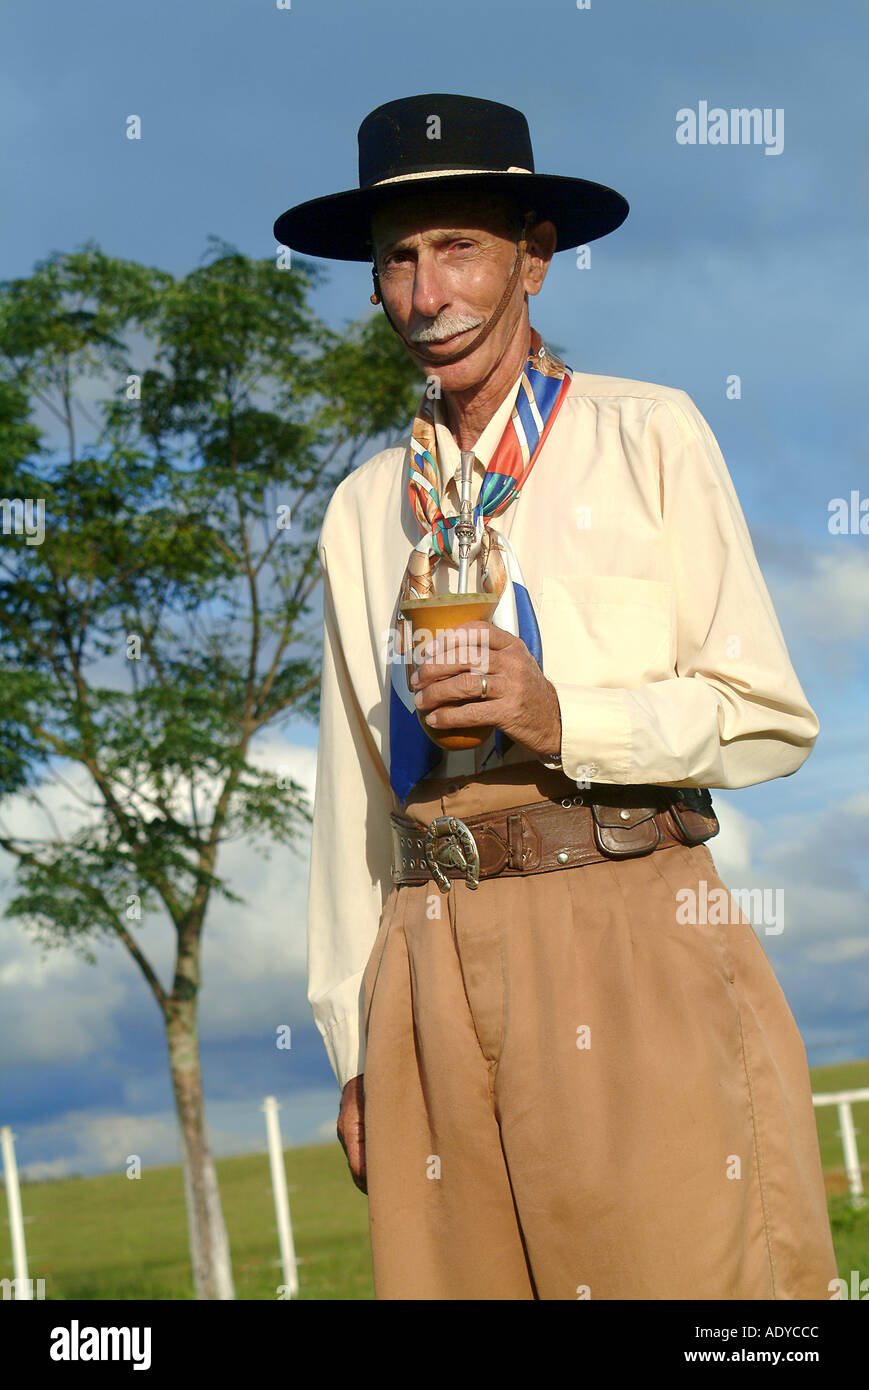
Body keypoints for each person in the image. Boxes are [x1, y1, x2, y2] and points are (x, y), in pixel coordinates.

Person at [274, 93, 837, 1300]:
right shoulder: (365, 509)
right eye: (398, 262)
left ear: (535, 256)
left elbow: (765, 715)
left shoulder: (649, 434)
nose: (428, 297)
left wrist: (561, 715)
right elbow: (347, 804)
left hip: (623, 917)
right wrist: (353, 1047)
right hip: (421, 962)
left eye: (461, 249)